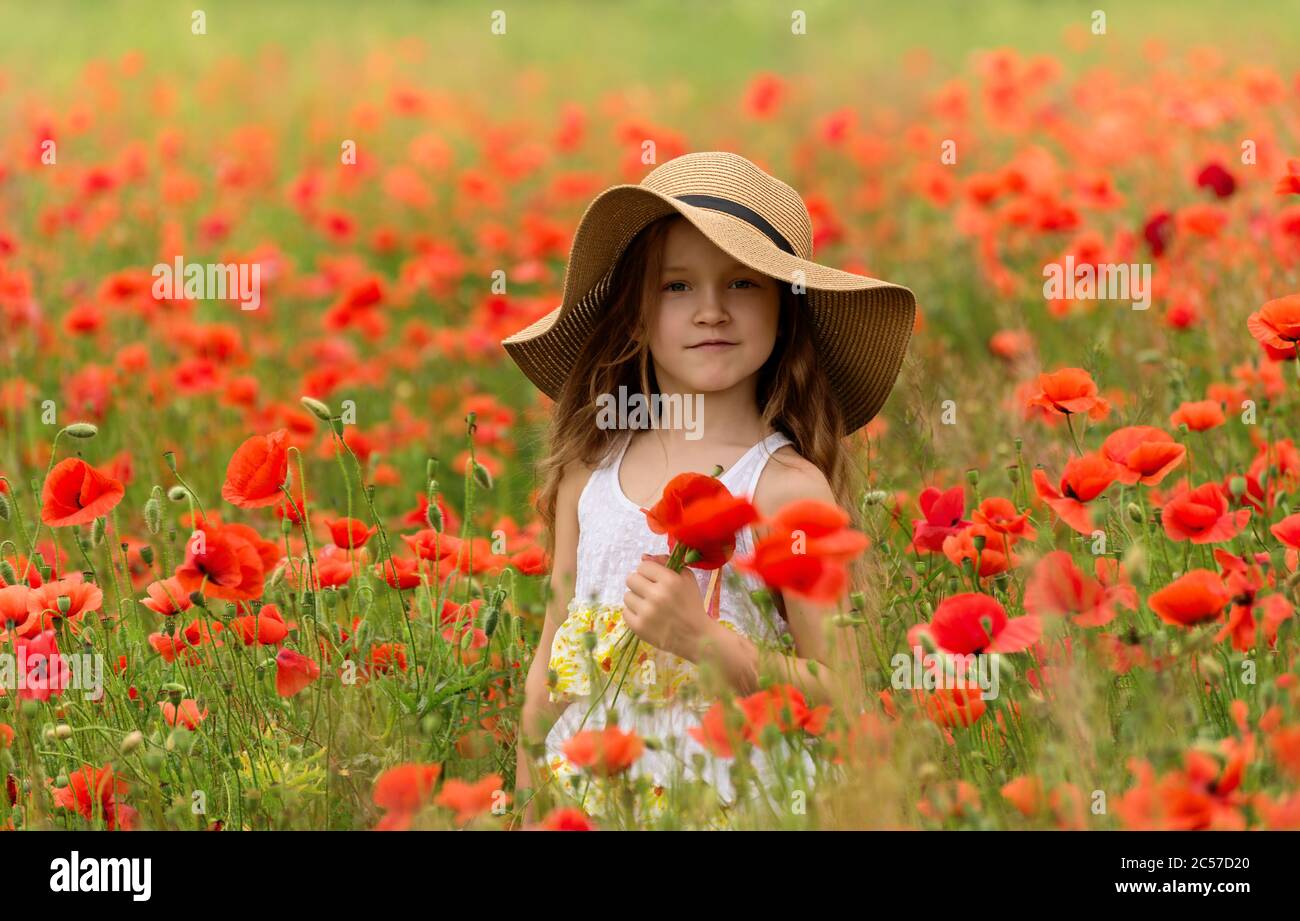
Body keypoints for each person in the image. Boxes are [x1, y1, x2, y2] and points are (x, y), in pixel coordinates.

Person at [502, 150, 915, 829]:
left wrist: (712, 646)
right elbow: (549, 664)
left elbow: (846, 693)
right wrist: (526, 807)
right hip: (597, 801)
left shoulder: (787, 489)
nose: (712, 310)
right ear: (635, 316)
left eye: (743, 285)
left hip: (738, 802)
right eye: (677, 287)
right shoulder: (590, 476)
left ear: (784, 307)